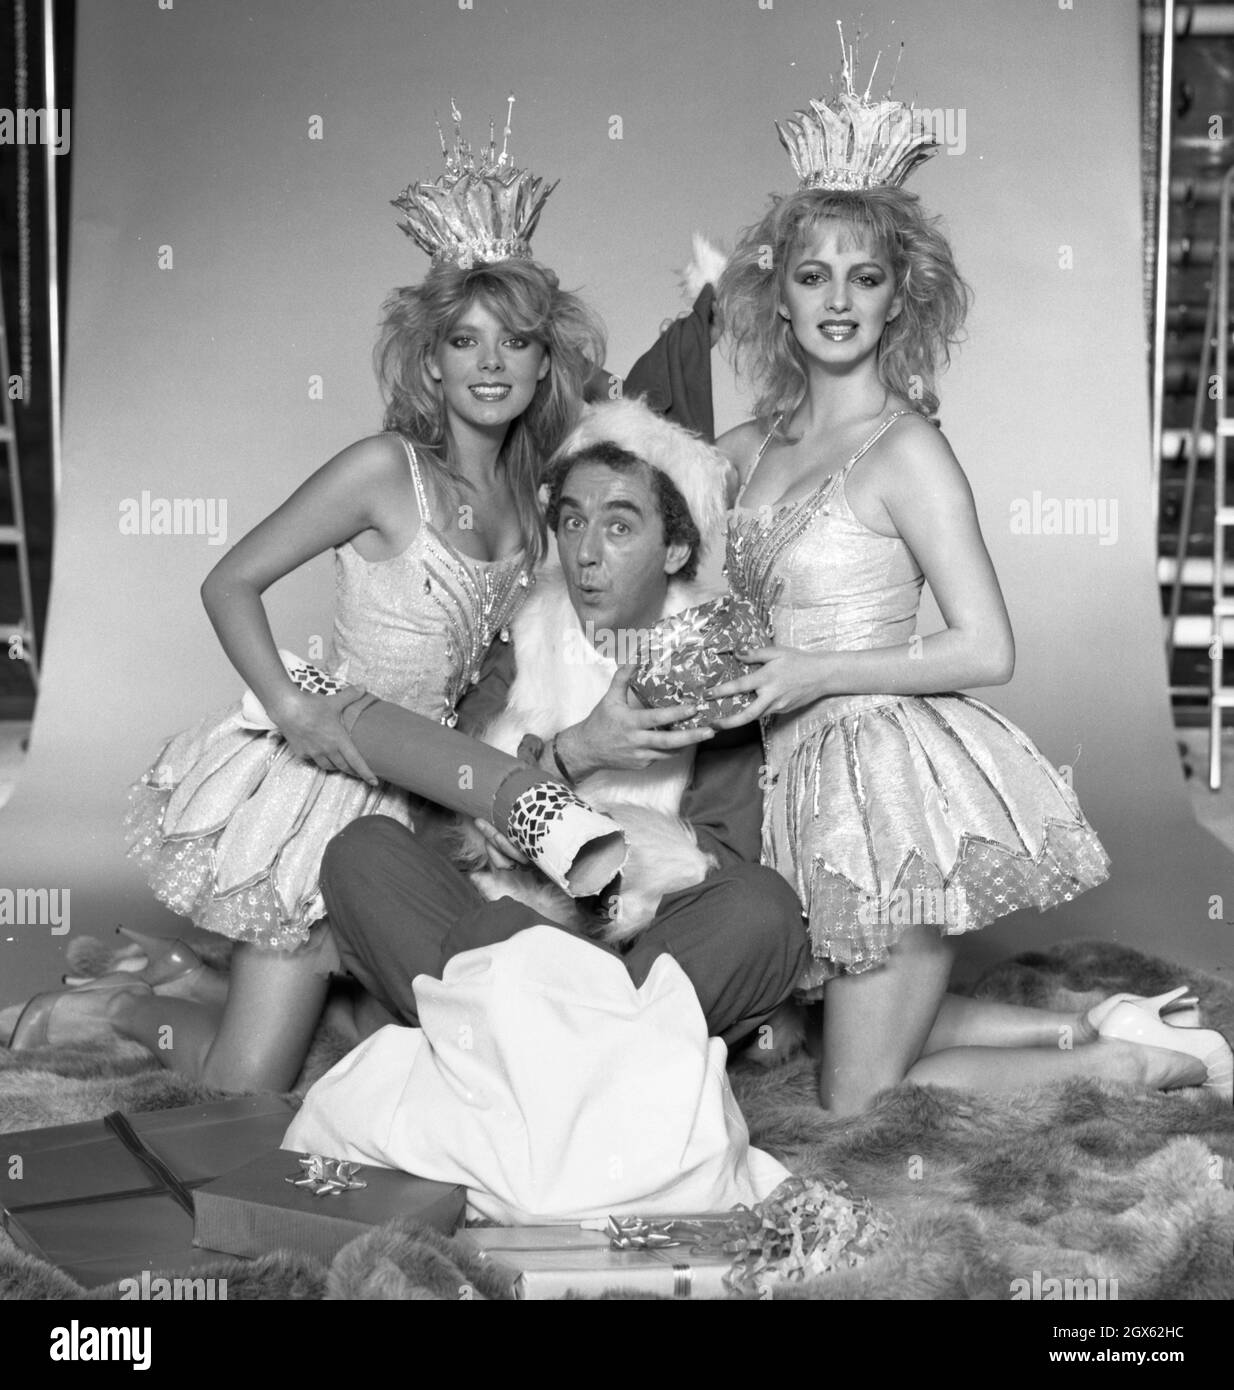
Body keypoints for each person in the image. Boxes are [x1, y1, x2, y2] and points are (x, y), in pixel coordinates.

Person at [9, 109, 605, 1091]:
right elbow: (227, 580)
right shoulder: (382, 470)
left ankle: (180, 973)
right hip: (328, 792)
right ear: (432, 359)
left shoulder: (536, 497)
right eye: (465, 340)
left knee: (411, 1050)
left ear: (547, 362)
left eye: (516, 341)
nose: (490, 363)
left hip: (433, 801)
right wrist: (291, 710)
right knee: (251, 1085)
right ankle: (108, 1005)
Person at [708, 55, 1233, 1112]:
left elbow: (987, 647)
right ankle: (1095, 1023)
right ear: (778, 295)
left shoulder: (906, 451)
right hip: (787, 780)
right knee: (815, 1028)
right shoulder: (741, 448)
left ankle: (1142, 1065)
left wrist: (813, 667)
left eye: (866, 277)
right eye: (814, 276)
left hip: (881, 788)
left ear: (901, 294)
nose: (839, 300)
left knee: (854, 1098)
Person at [313, 398, 809, 1047]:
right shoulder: (521, 639)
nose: (586, 554)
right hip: (497, 931)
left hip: (630, 953)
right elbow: (442, 825)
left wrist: (600, 882)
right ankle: (589, 1056)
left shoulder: (714, 665)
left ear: (676, 547)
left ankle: (518, 1045)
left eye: (620, 527)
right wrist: (576, 753)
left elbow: (722, 857)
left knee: (762, 908)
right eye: (572, 522)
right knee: (363, 851)